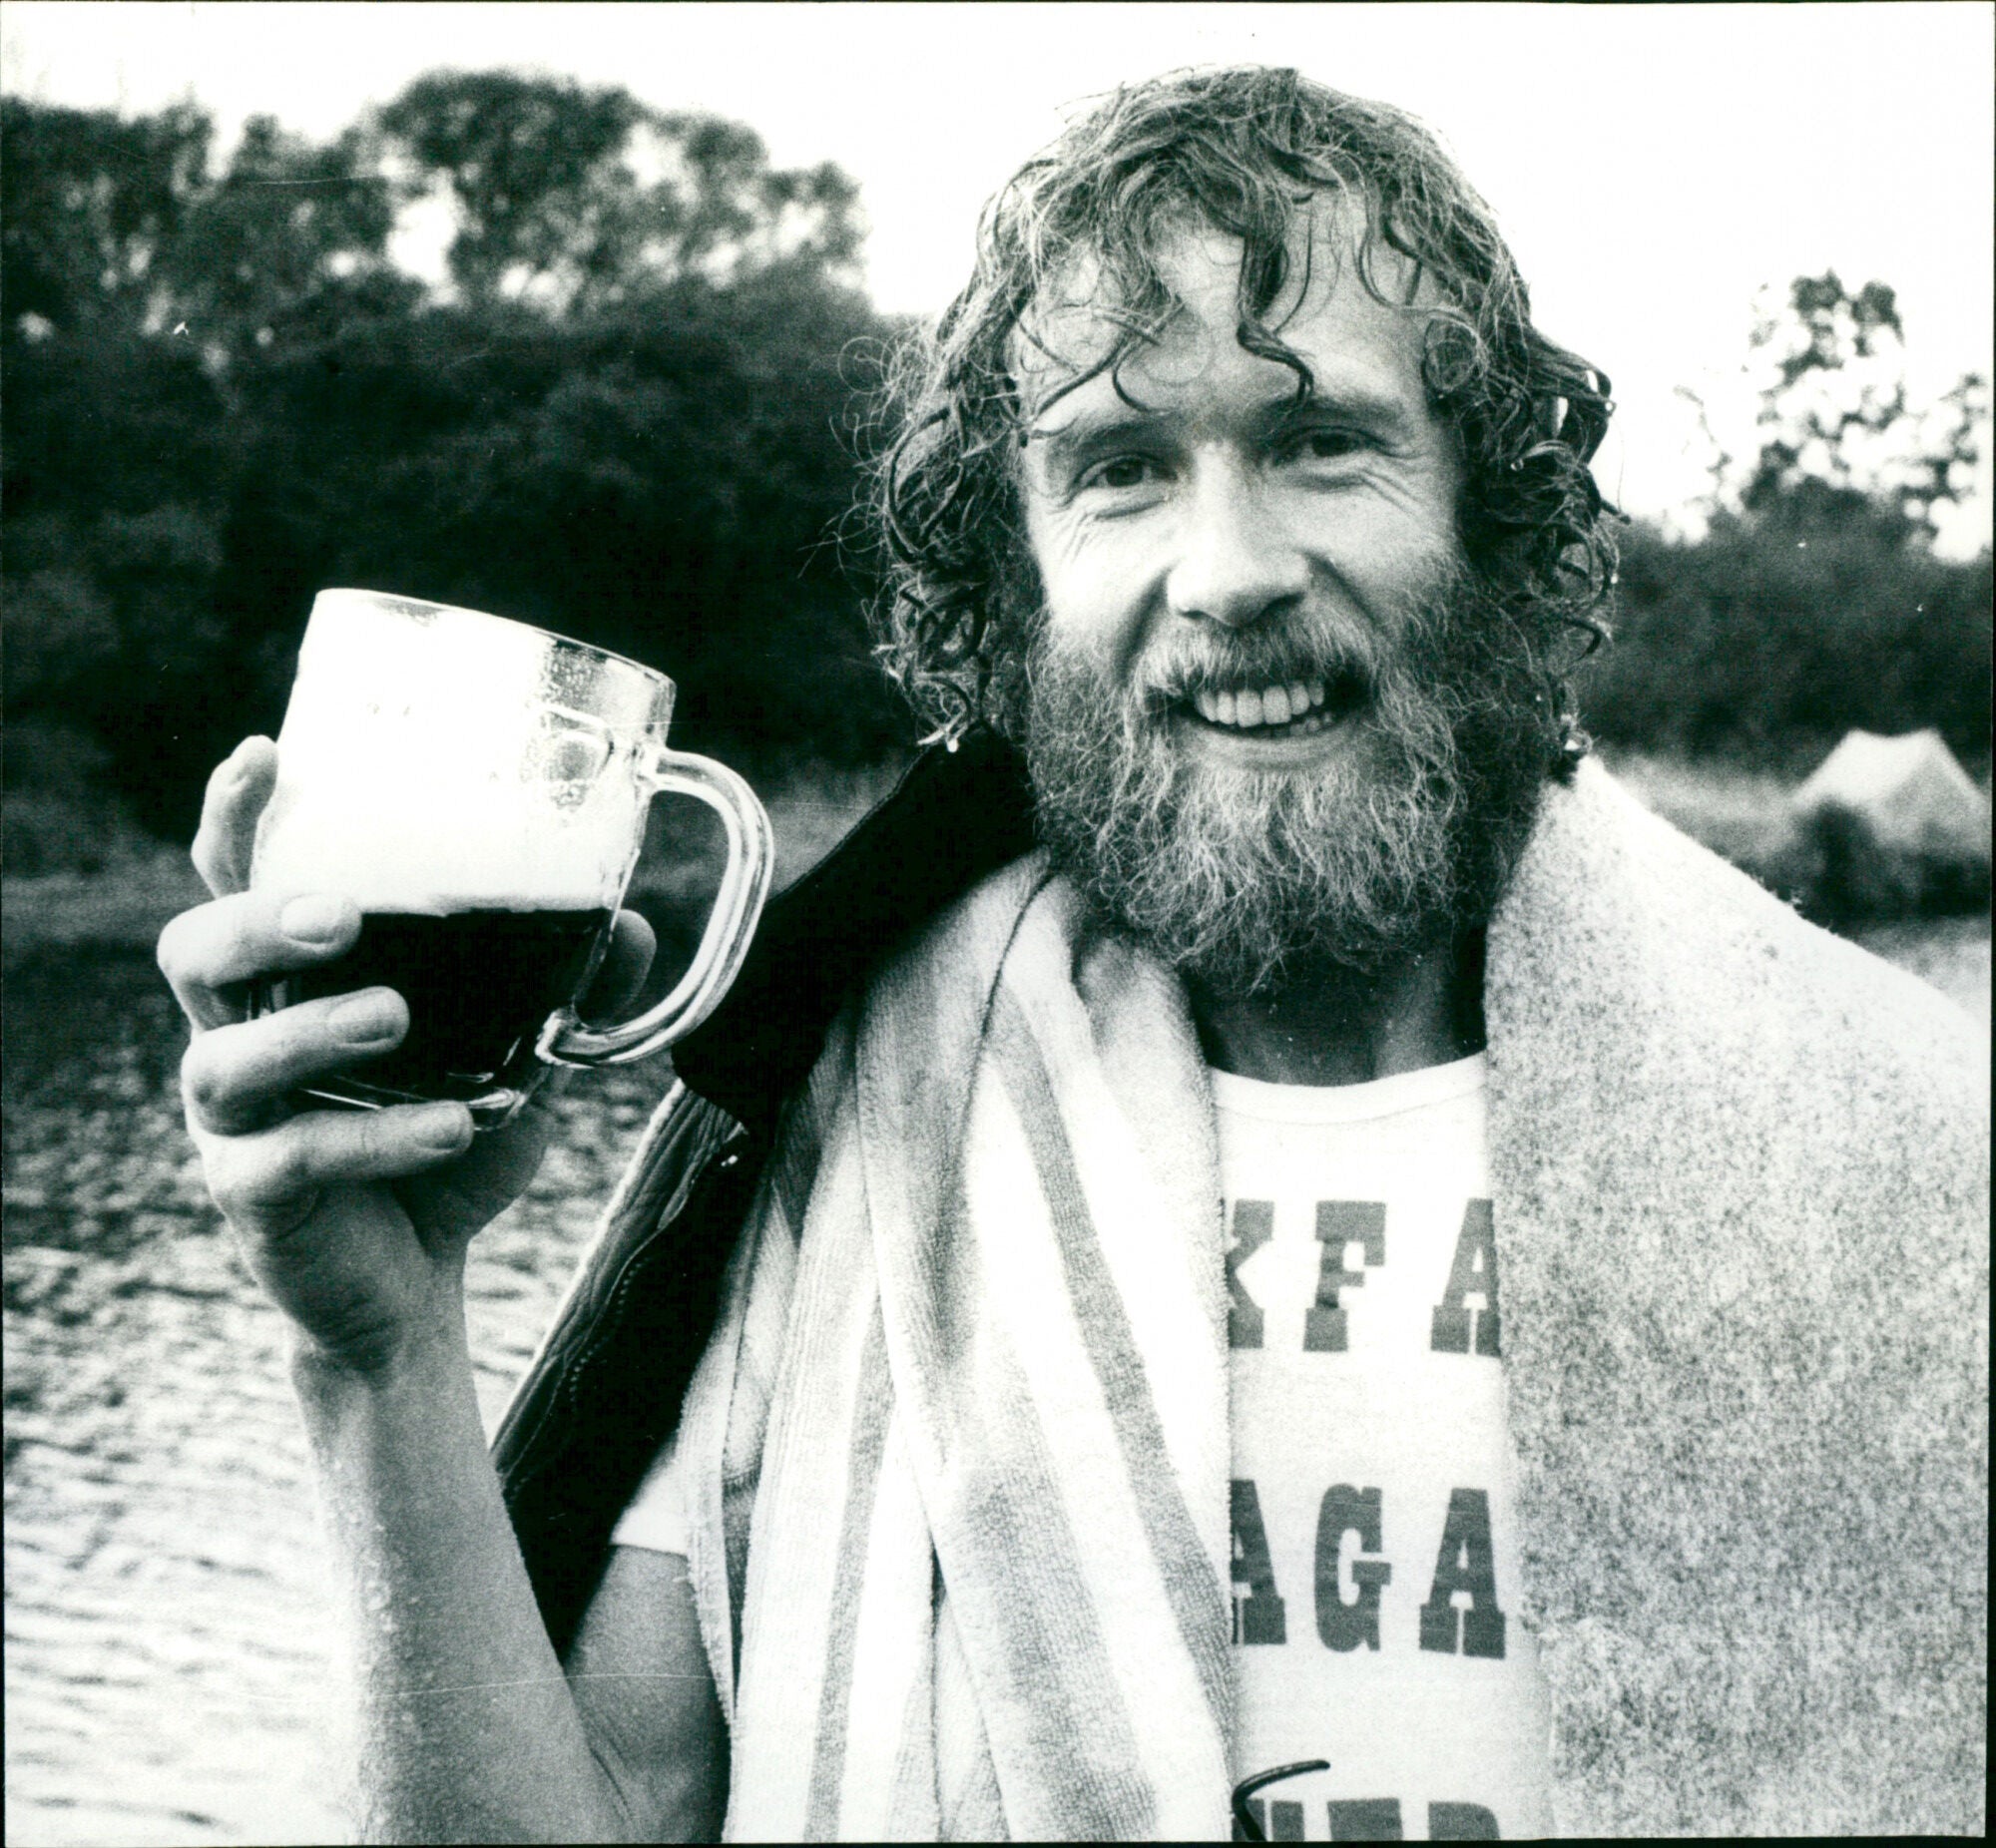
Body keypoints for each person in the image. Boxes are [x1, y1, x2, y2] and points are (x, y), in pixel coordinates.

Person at [160, 67, 1984, 1842]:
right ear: (1017, 585)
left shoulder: (1902, 1145)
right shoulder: (847, 1112)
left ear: (1488, 519)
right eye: (1119, 469)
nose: (1228, 571)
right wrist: (380, 1354)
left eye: (1321, 444)